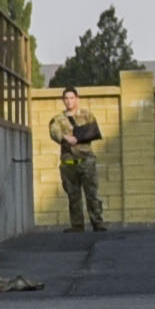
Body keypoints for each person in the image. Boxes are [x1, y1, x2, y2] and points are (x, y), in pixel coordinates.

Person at [52, 85, 110, 230]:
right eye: (66, 98)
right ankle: (77, 225)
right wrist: (64, 137)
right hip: (69, 161)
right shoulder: (58, 119)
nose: (69, 101)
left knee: (92, 193)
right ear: (63, 100)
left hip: (86, 160)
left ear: (77, 99)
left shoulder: (86, 115)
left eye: (72, 98)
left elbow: (94, 131)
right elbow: (54, 132)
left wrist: (78, 138)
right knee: (73, 195)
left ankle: (97, 222)